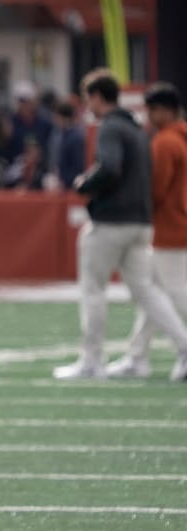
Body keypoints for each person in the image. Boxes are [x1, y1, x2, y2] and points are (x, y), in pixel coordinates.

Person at [54, 69, 187, 381]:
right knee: (149, 291)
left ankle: (91, 360)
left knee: (93, 288)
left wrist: (85, 184)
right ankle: (174, 349)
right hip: (142, 224)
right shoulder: (139, 130)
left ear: (97, 97)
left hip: (117, 221)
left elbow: (111, 167)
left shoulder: (116, 128)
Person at [107, 82, 187, 379]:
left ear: (164, 110)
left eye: (152, 109)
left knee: (173, 294)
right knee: (153, 295)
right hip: (178, 223)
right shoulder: (180, 138)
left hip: (169, 226)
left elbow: (156, 189)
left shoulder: (166, 142)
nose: (149, 116)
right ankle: (137, 355)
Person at [47, 101, 86, 190]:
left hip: (71, 187)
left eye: (57, 117)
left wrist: (64, 180)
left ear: (64, 118)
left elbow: (78, 167)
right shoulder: (62, 135)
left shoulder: (75, 139)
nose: (55, 120)